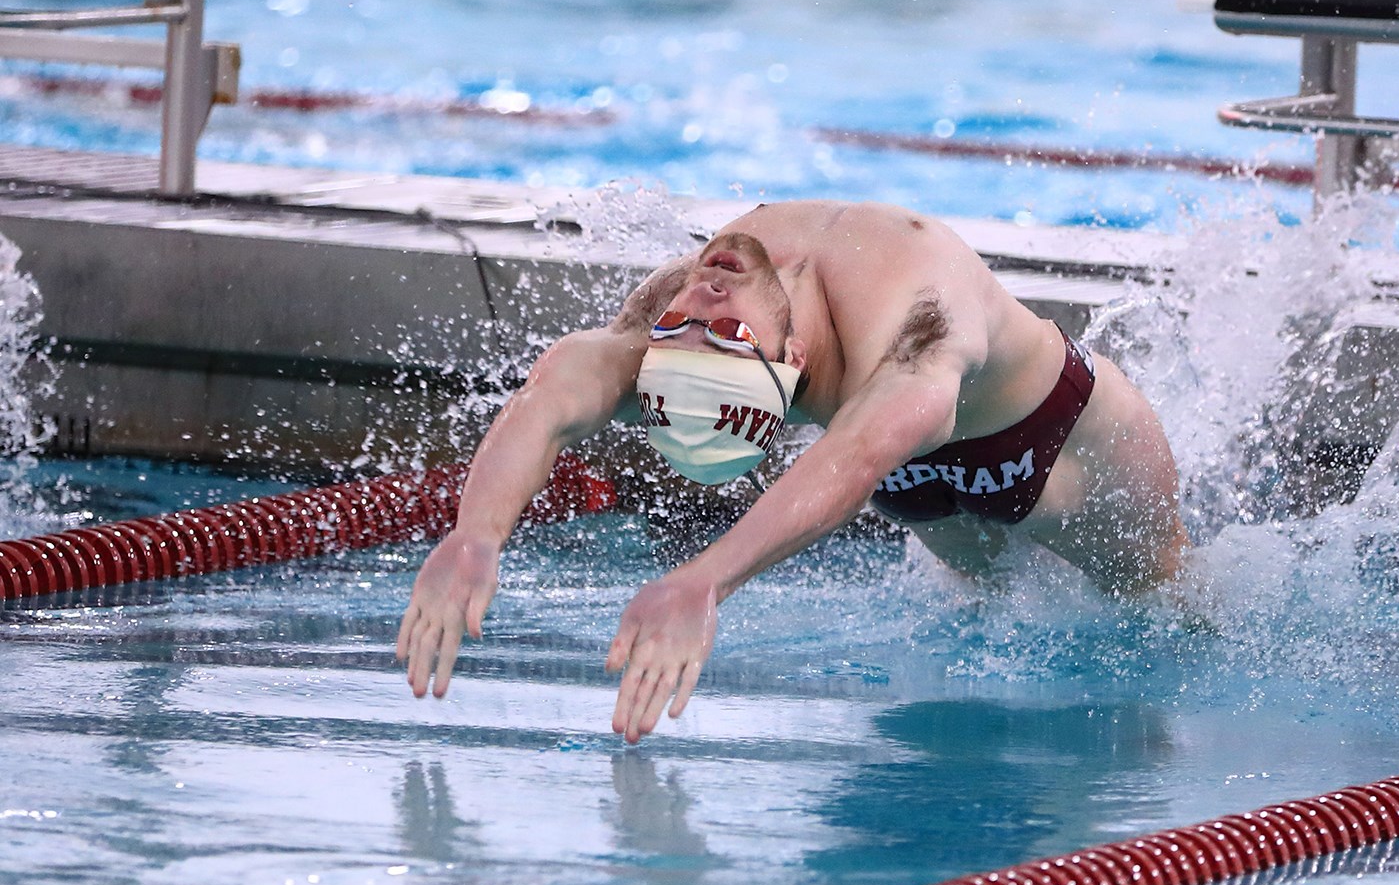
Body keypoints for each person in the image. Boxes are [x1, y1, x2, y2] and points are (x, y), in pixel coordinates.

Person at [397, 200, 1187, 742]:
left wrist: (482, 537)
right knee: (988, 625)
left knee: (1169, 607)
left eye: (695, 322)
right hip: (907, 464)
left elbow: (561, 389)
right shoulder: (876, 324)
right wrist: (483, 535)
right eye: (712, 328)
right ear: (792, 363)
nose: (704, 293)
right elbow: (855, 455)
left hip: (1060, 443)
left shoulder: (709, 308)